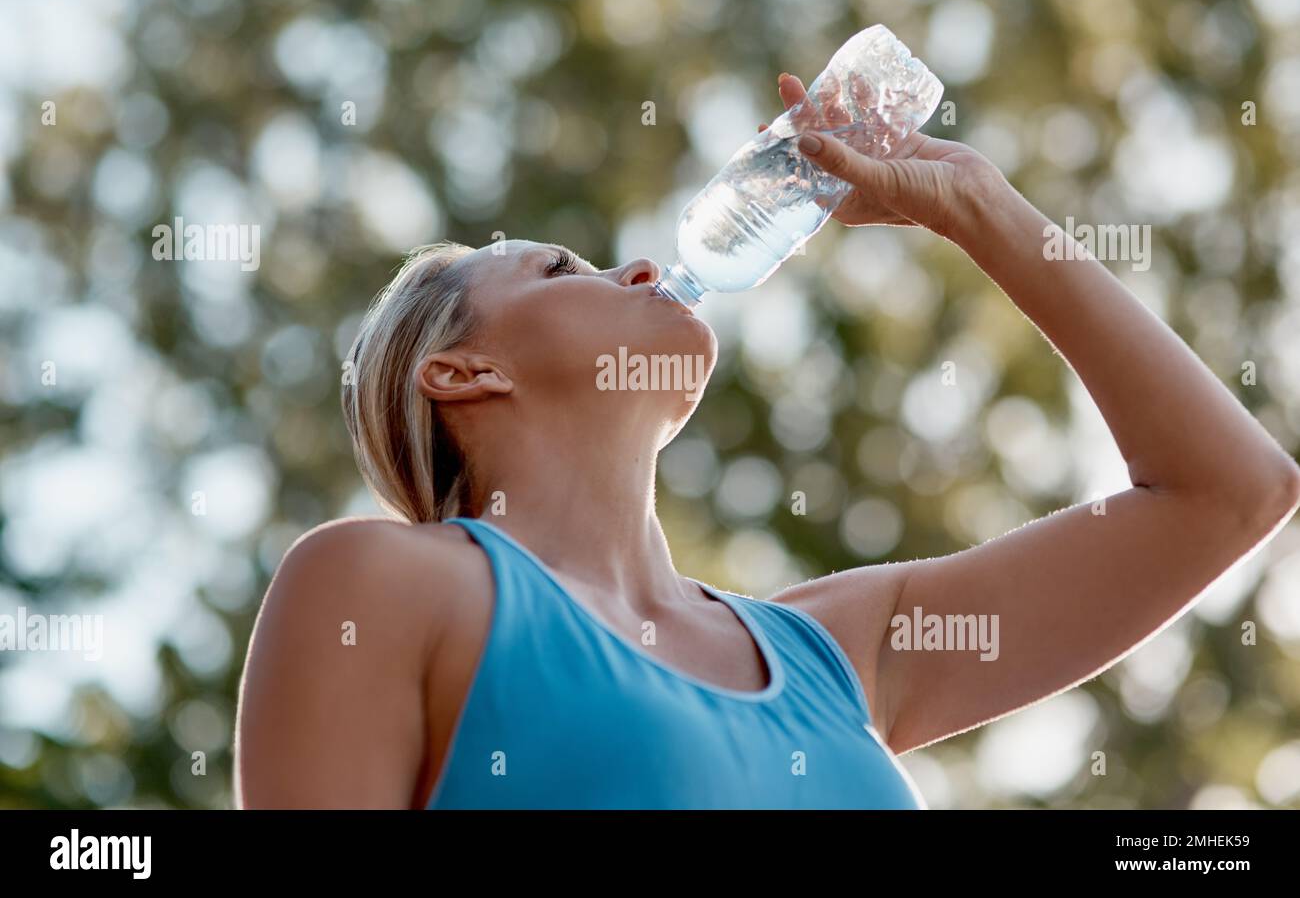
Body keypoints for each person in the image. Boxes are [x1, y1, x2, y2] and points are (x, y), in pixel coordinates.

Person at [233, 73, 1300, 808]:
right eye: (562, 271)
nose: (640, 269)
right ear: (463, 372)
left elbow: (1229, 493)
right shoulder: (378, 583)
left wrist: (976, 206)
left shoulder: (840, 651)